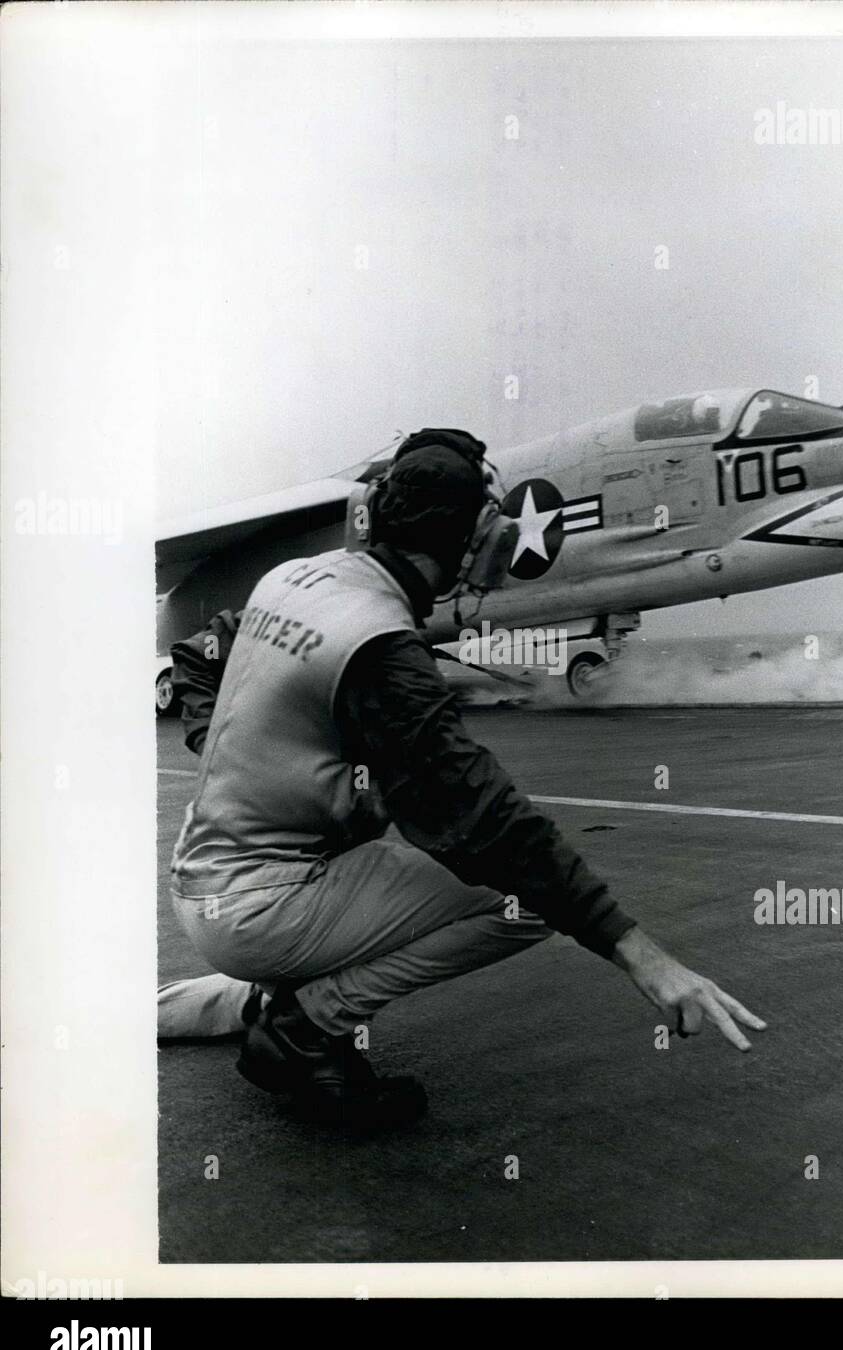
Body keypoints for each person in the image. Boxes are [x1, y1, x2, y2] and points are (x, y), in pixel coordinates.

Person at [163, 427, 766, 1136]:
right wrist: (641, 955)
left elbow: (194, 659)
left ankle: (256, 1002)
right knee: (523, 900)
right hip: (261, 907)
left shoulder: (293, 579)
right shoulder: (381, 648)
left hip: (209, 878)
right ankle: (305, 1029)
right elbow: (486, 820)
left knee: (378, 816)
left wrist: (226, 754)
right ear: (478, 536)